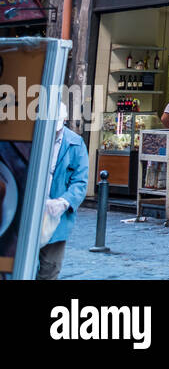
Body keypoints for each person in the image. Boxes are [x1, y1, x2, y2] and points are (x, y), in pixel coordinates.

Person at [39, 103, 89, 280]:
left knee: (49, 269)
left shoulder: (76, 143)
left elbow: (80, 182)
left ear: (65, 120)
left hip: (56, 215)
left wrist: (64, 202)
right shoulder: (33, 137)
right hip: (29, 210)